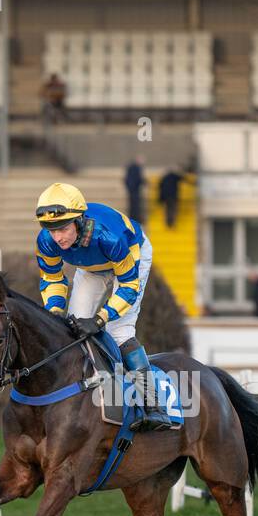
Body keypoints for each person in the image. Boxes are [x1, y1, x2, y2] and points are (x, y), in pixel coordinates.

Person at [33, 182, 173, 432]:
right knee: (71, 327)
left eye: (63, 228)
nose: (58, 237)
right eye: (51, 230)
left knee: (119, 331)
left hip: (131, 258)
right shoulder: (46, 241)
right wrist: (54, 315)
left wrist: (100, 320)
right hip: (91, 267)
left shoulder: (107, 236)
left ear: (78, 220)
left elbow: (128, 285)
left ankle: (154, 406)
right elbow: (52, 279)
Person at [123, 155, 144, 225]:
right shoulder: (136, 168)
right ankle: (136, 219)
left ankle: (133, 218)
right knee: (135, 205)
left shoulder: (131, 167)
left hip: (132, 189)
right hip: (134, 190)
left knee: (133, 205)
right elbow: (138, 179)